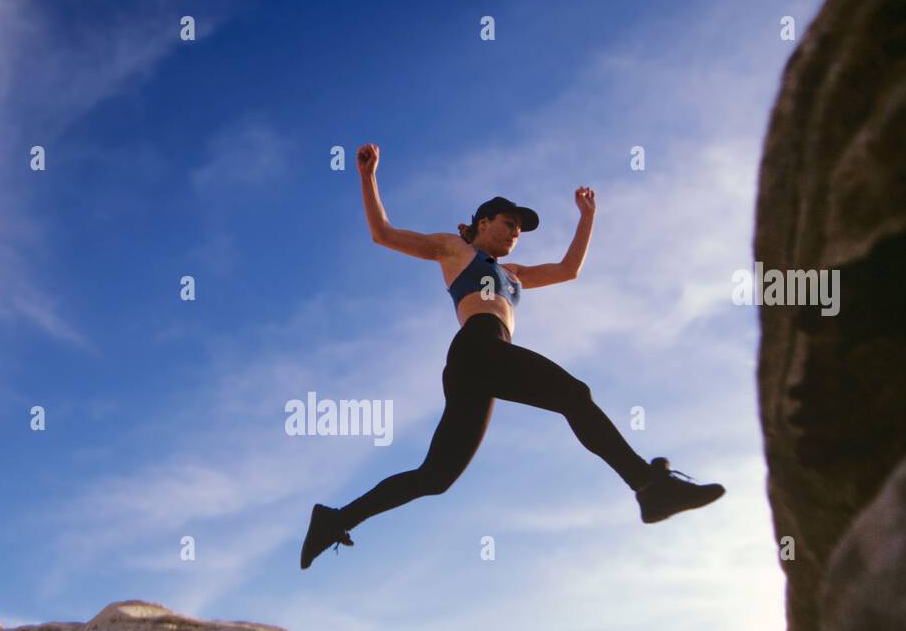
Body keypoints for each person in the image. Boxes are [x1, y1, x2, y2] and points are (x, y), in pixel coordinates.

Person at [301, 143, 724, 569]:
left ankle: (335, 519)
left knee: (436, 477)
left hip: (482, 364)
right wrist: (367, 175)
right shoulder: (456, 249)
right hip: (476, 347)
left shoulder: (514, 274)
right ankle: (648, 486)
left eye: (520, 230)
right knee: (574, 395)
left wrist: (588, 218)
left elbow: (568, 270)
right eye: (508, 224)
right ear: (482, 223)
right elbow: (383, 233)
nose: (514, 234)